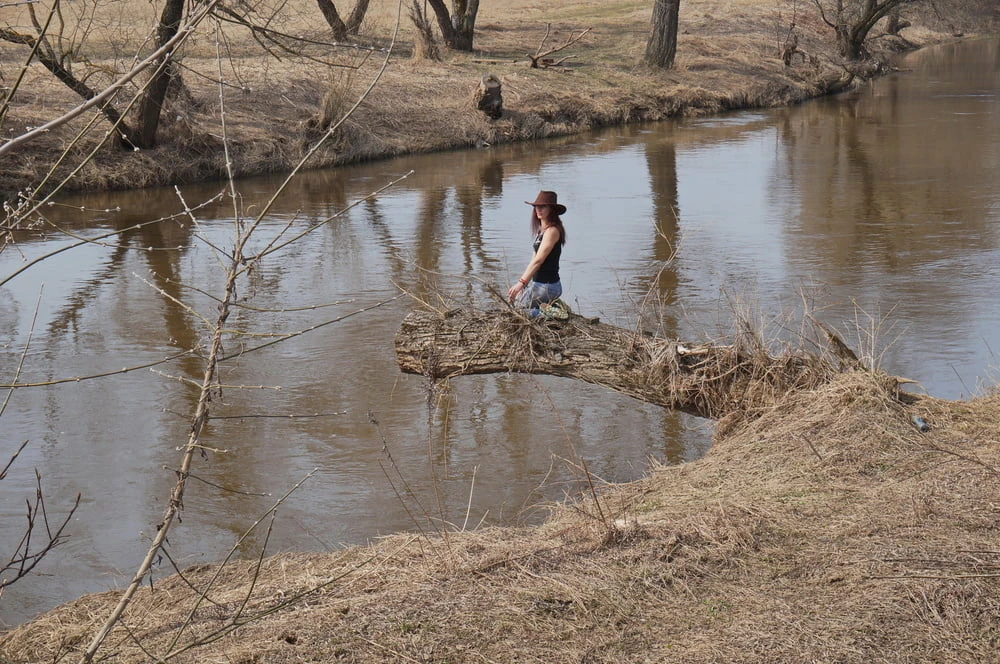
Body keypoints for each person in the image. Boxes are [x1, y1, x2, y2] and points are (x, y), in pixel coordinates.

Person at [507, 190, 567, 317]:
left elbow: (539, 260)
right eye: (536, 206)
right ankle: (548, 307)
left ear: (551, 209)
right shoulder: (542, 231)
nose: (538, 210)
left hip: (548, 286)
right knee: (515, 302)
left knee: (518, 311)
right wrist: (524, 284)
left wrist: (521, 283)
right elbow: (533, 260)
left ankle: (552, 314)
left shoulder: (552, 231)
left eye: (543, 206)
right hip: (538, 284)